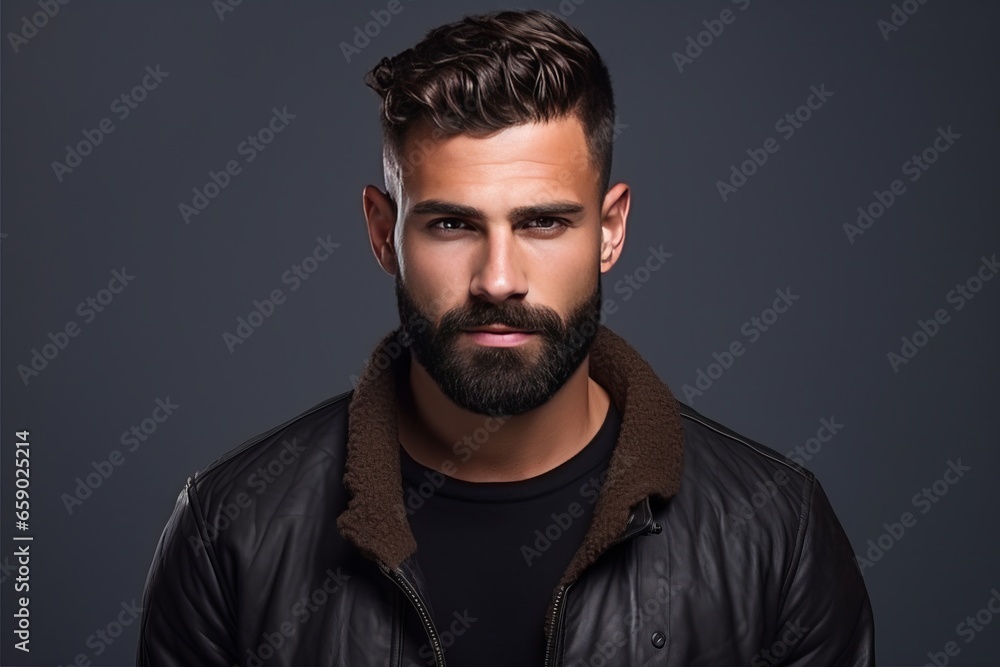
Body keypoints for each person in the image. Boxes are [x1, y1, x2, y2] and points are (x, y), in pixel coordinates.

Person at [136, 9, 874, 666]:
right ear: (381, 231)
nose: (497, 279)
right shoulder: (229, 532)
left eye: (542, 222)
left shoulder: (777, 534)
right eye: (452, 224)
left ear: (610, 230)